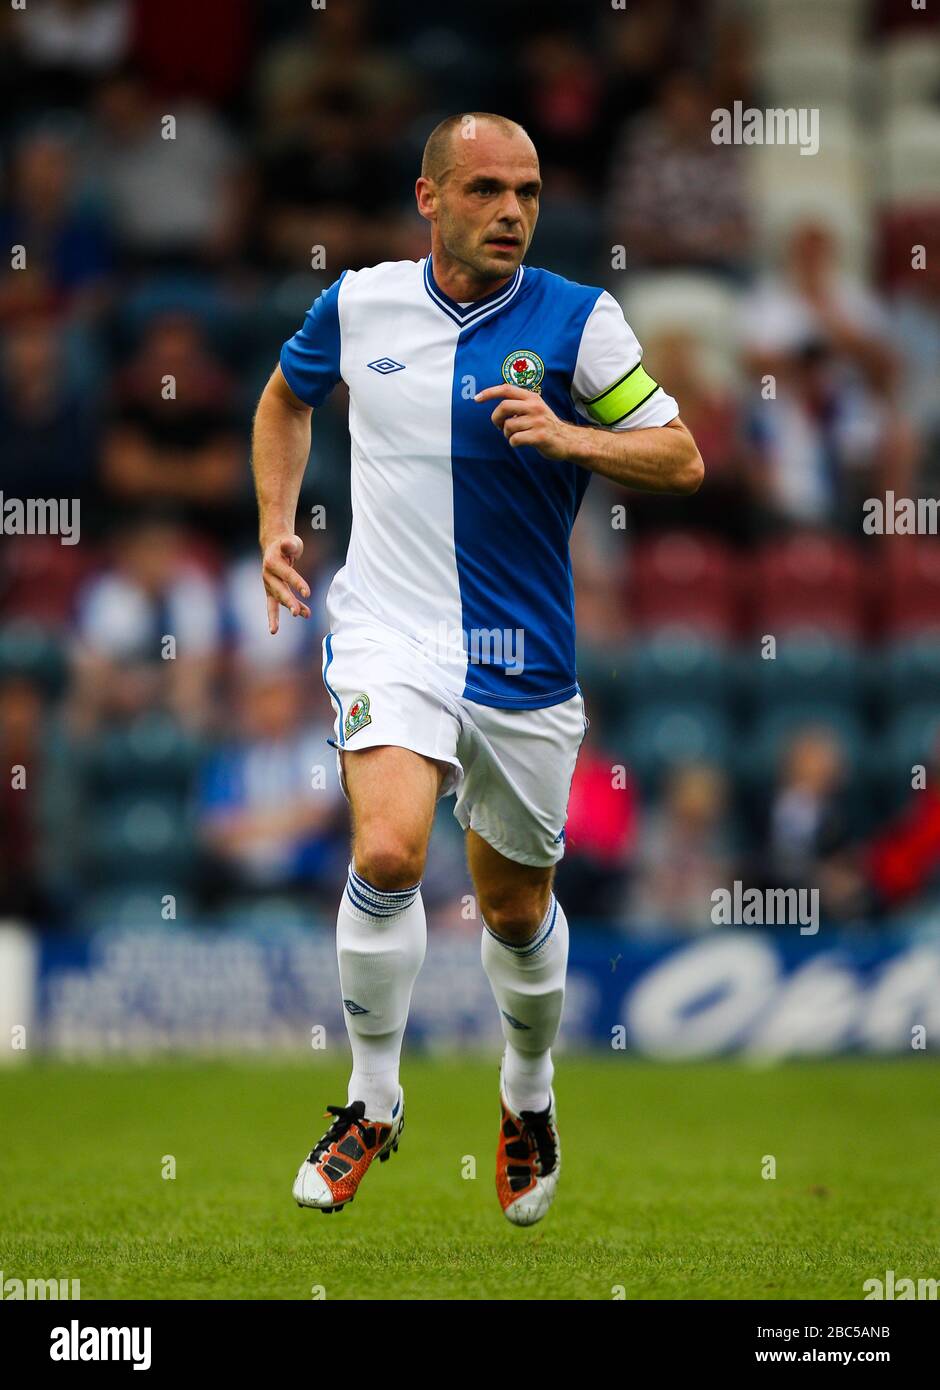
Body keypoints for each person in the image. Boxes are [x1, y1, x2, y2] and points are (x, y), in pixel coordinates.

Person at [251, 112, 702, 1225]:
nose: (511, 211)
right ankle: (370, 1101)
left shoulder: (579, 322)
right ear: (430, 198)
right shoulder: (357, 303)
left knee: (511, 912)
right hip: (387, 630)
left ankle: (529, 1092)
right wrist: (273, 524)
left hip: (521, 654)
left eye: (529, 193)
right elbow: (282, 399)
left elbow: (682, 456)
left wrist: (574, 436)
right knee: (390, 847)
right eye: (488, 189)